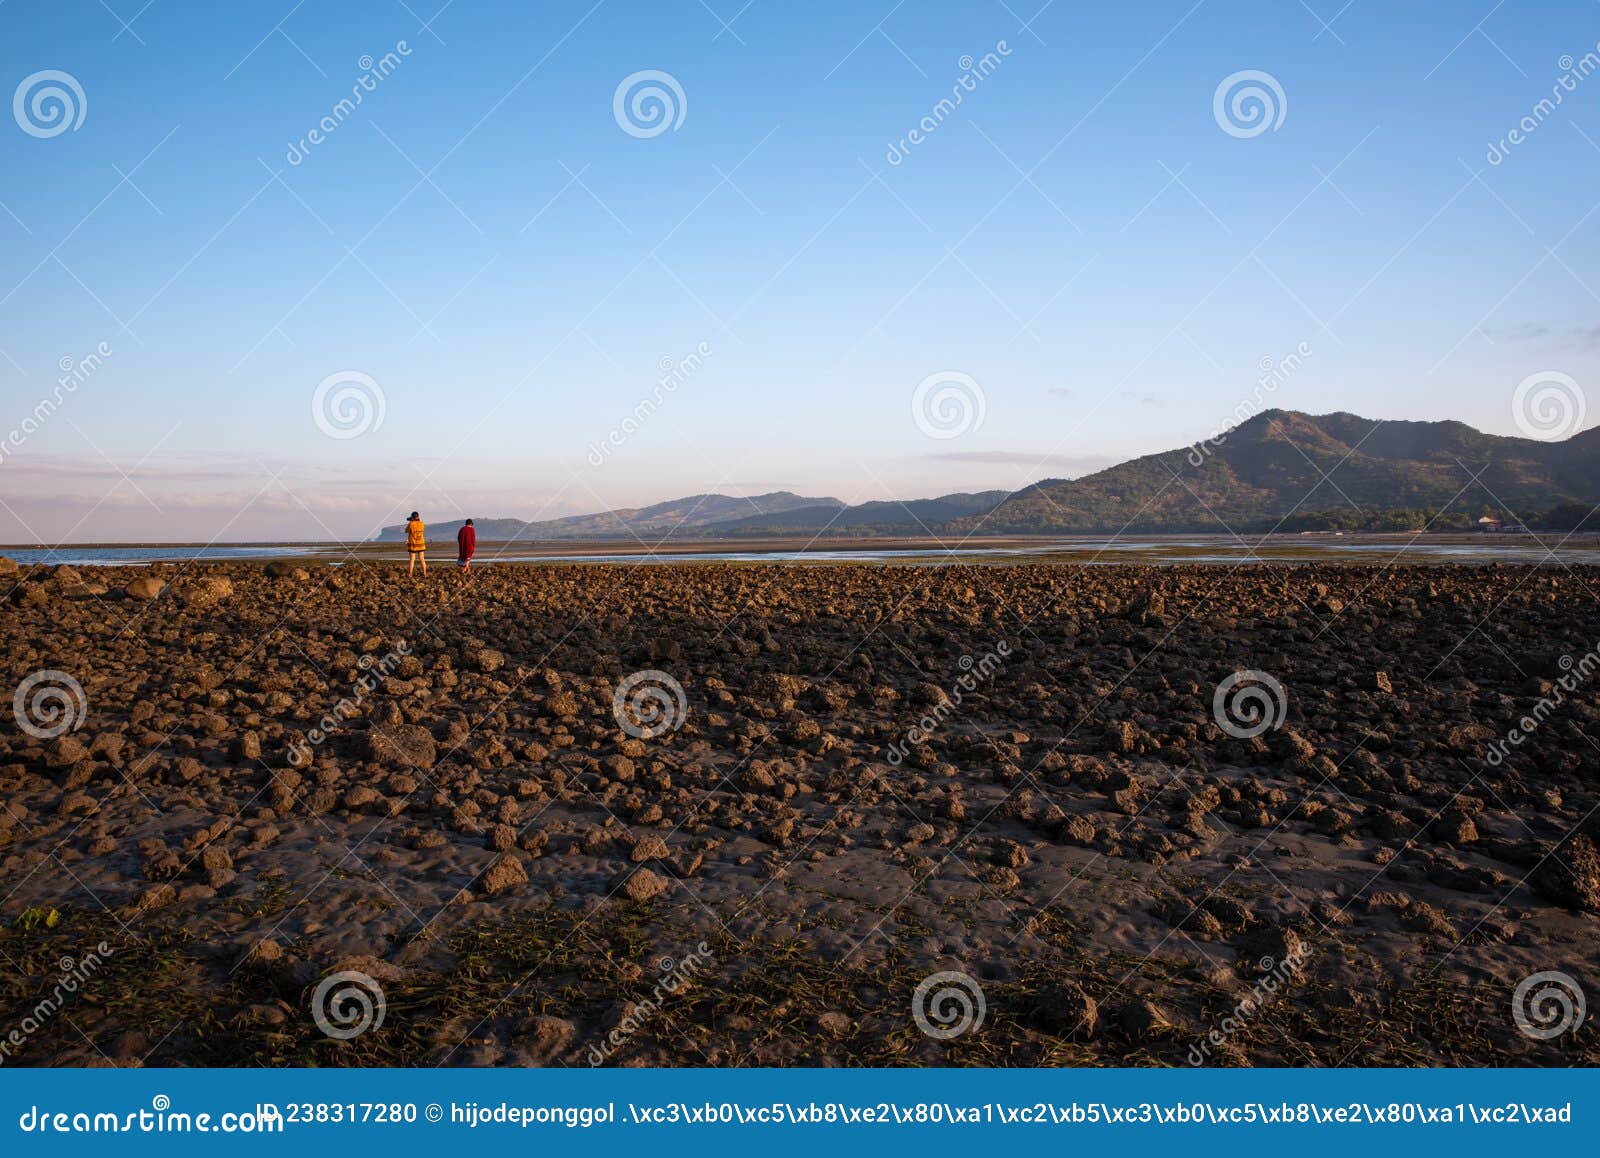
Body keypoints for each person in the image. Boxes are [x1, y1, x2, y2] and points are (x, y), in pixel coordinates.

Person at [406, 511, 426, 576]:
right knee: (422, 559)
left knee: (412, 560)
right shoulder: (422, 523)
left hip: (413, 545)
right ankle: (425, 573)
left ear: (412, 517)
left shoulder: (411, 524)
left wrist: (410, 522)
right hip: (421, 544)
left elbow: (406, 531)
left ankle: (410, 574)